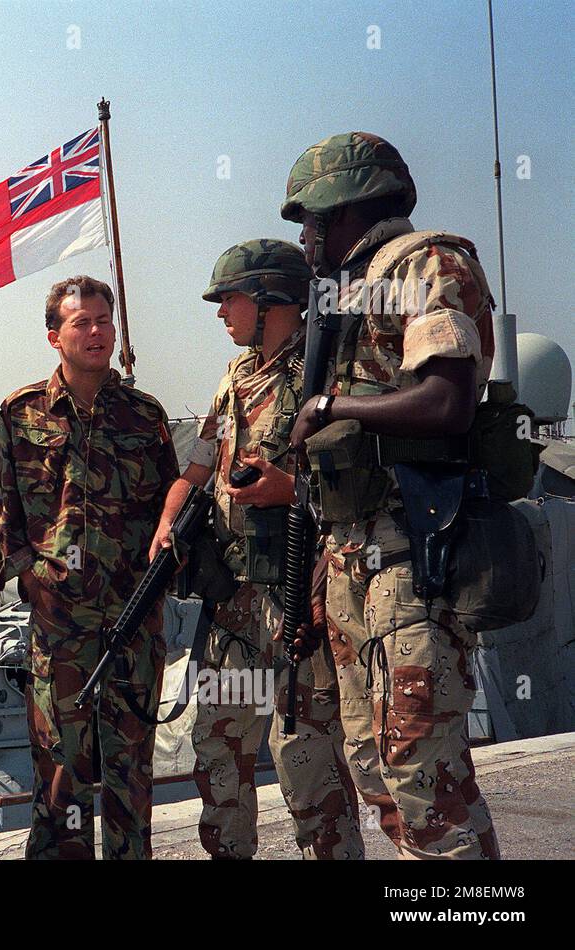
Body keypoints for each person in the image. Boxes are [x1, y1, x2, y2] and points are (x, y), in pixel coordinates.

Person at [280, 131, 500, 858]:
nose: (305, 238)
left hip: (412, 558)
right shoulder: (352, 288)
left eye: (310, 219)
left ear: (348, 207)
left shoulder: (427, 263)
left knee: (420, 783)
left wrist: (334, 410)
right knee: (386, 772)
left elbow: (448, 402)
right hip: (355, 562)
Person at [149, 240, 364, 859]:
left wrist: (288, 490)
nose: (220, 312)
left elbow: (361, 487)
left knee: (305, 762)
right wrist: (169, 525)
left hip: (300, 596)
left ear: (271, 300)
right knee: (218, 752)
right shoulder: (235, 379)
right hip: (234, 605)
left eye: (230, 299)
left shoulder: (322, 378)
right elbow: (193, 473)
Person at [0, 275, 179, 859]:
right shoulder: (19, 413)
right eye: (80, 322)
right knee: (60, 777)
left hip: (134, 624)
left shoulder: (145, 414)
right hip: (60, 628)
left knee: (130, 776)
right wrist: (20, 569)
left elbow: (174, 506)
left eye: (103, 321)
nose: (95, 332)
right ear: (53, 336)